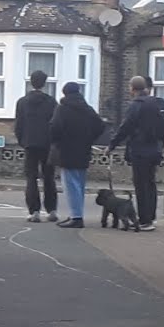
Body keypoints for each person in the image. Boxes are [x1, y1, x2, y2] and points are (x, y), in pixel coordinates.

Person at [106, 76, 164, 231]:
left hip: (140, 150)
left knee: (141, 185)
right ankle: (150, 218)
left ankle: (144, 220)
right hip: (154, 149)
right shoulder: (156, 104)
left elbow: (125, 127)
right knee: (150, 184)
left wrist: (112, 145)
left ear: (133, 88)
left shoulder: (136, 105)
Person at [48, 82, 105, 228]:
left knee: (70, 185)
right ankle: (75, 213)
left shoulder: (62, 109)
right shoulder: (87, 109)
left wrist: (58, 141)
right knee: (79, 184)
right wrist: (89, 138)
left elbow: (55, 129)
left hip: (66, 150)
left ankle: (76, 217)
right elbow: (100, 126)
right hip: (83, 149)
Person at [14, 70, 58, 223]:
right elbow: (55, 124)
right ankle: (52, 210)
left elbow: (18, 125)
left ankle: (34, 211)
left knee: (31, 177)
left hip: (30, 143)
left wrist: (22, 141)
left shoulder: (22, 102)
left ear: (31, 82)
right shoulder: (51, 102)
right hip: (47, 143)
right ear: (44, 83)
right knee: (49, 177)